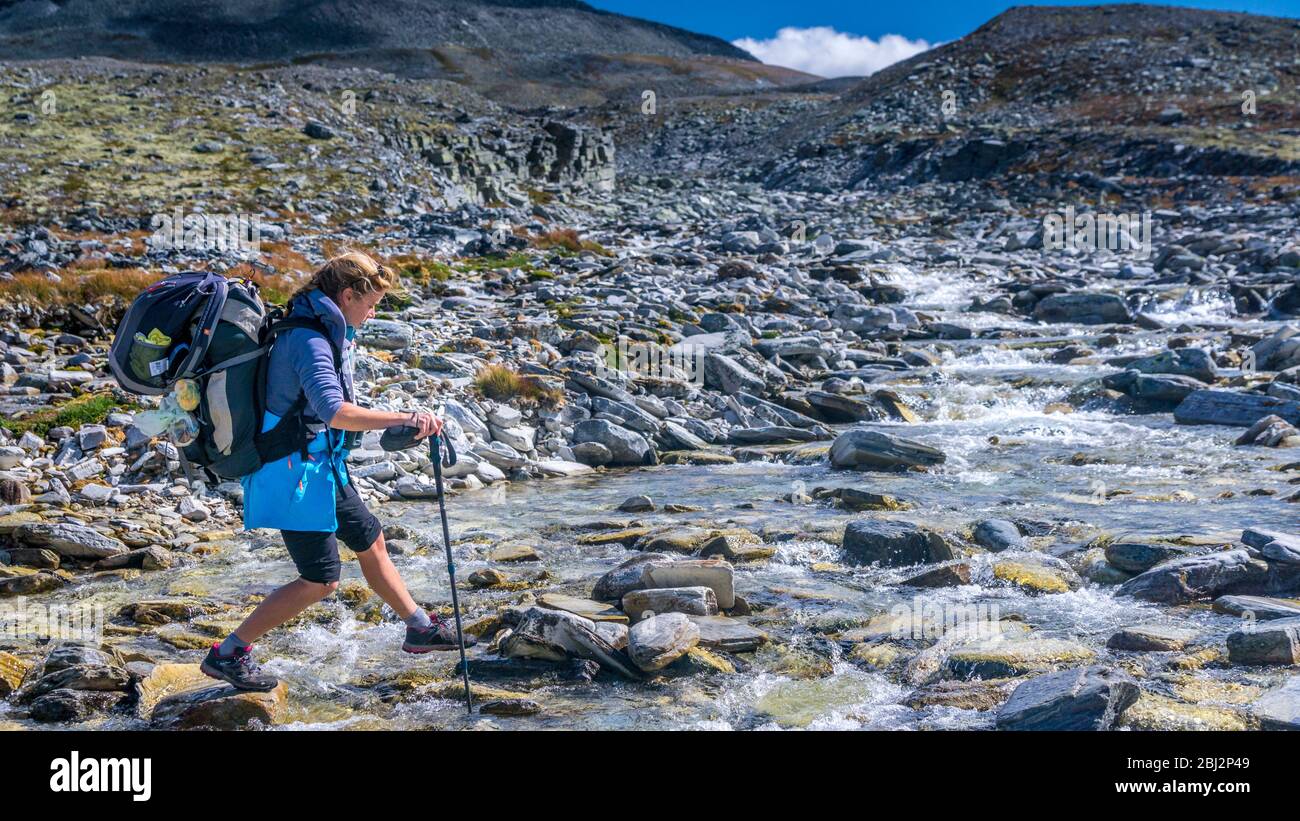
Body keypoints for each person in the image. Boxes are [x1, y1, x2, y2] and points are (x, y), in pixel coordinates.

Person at [200, 251, 476, 692]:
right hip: (293, 474)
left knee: (370, 538)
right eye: (371, 304)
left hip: (320, 466)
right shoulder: (308, 339)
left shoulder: (325, 327)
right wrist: (404, 416)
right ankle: (229, 652)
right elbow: (334, 411)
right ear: (347, 295)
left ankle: (419, 627)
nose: (372, 313)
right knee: (321, 579)